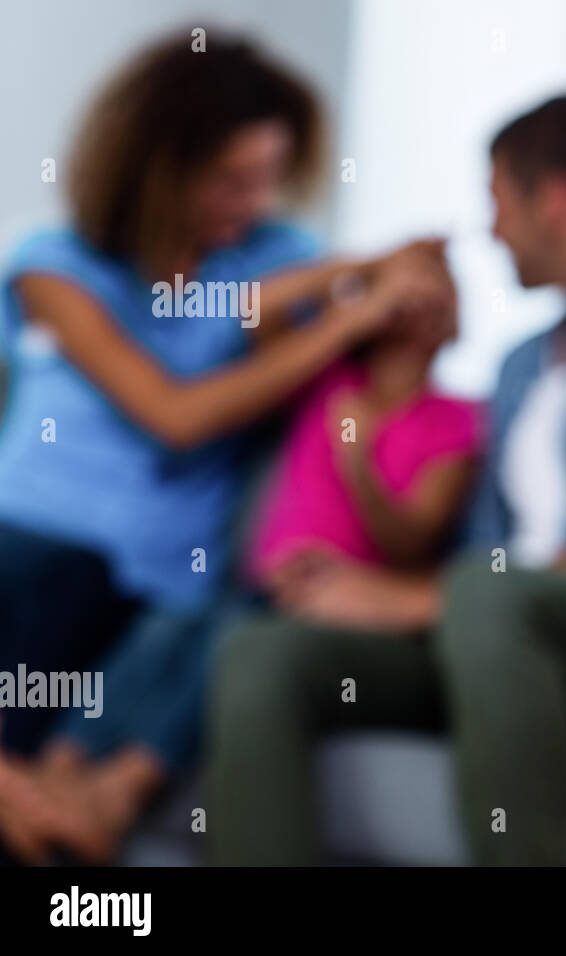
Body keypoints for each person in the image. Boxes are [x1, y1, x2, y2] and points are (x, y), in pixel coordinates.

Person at [205, 93, 566, 865]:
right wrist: (374, 587)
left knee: (488, 597)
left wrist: (421, 598)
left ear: (558, 202)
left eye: (500, 204)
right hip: (496, 645)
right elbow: (481, 548)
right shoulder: (519, 365)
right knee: (264, 650)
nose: (492, 231)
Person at [0, 32, 448, 864]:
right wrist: (350, 301)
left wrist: (379, 281)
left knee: (225, 625)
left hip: (166, 586)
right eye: (232, 179)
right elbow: (175, 412)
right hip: (33, 550)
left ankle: (58, 797)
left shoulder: (281, 260)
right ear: (160, 165)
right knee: (51, 591)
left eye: (269, 178)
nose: (253, 200)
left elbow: (274, 320)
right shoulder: (52, 263)